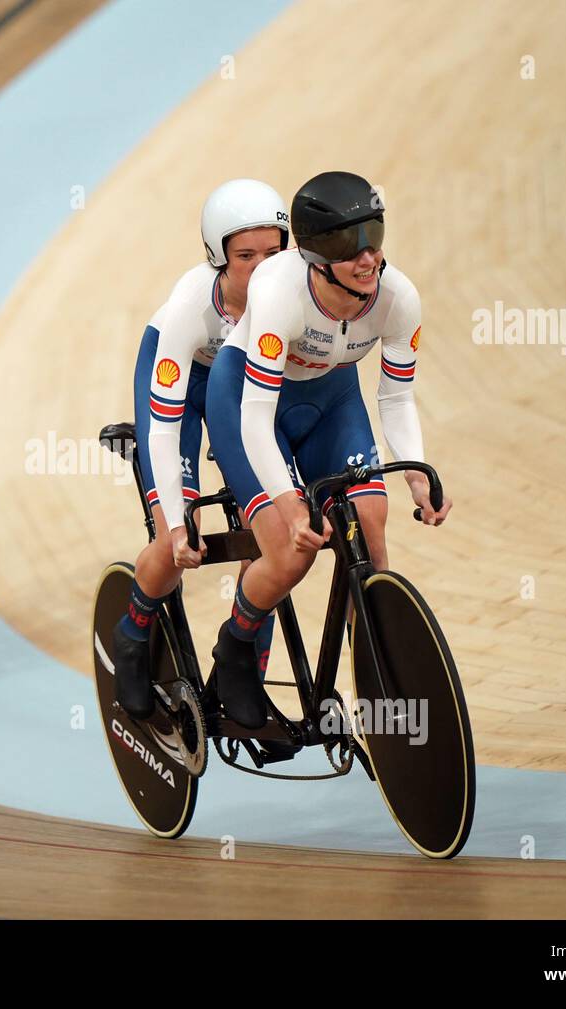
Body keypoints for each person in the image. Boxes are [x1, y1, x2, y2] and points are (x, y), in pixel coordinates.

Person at [204, 171, 453, 728]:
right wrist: (291, 505)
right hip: (246, 400)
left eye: (373, 235)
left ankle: (379, 683)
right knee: (291, 553)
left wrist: (416, 476)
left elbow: (396, 399)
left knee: (371, 522)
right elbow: (256, 418)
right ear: (316, 257)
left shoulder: (399, 299)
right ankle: (235, 649)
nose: (366, 258)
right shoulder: (277, 291)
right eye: (347, 245)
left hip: (332, 401)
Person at [112, 179, 288, 718]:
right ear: (217, 256)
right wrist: (176, 516)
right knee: (175, 540)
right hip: (182, 390)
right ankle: (133, 633)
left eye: (272, 252)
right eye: (244, 255)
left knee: (271, 537)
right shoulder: (193, 303)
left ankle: (244, 677)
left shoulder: (290, 293)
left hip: (239, 388)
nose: (261, 267)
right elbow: (164, 427)